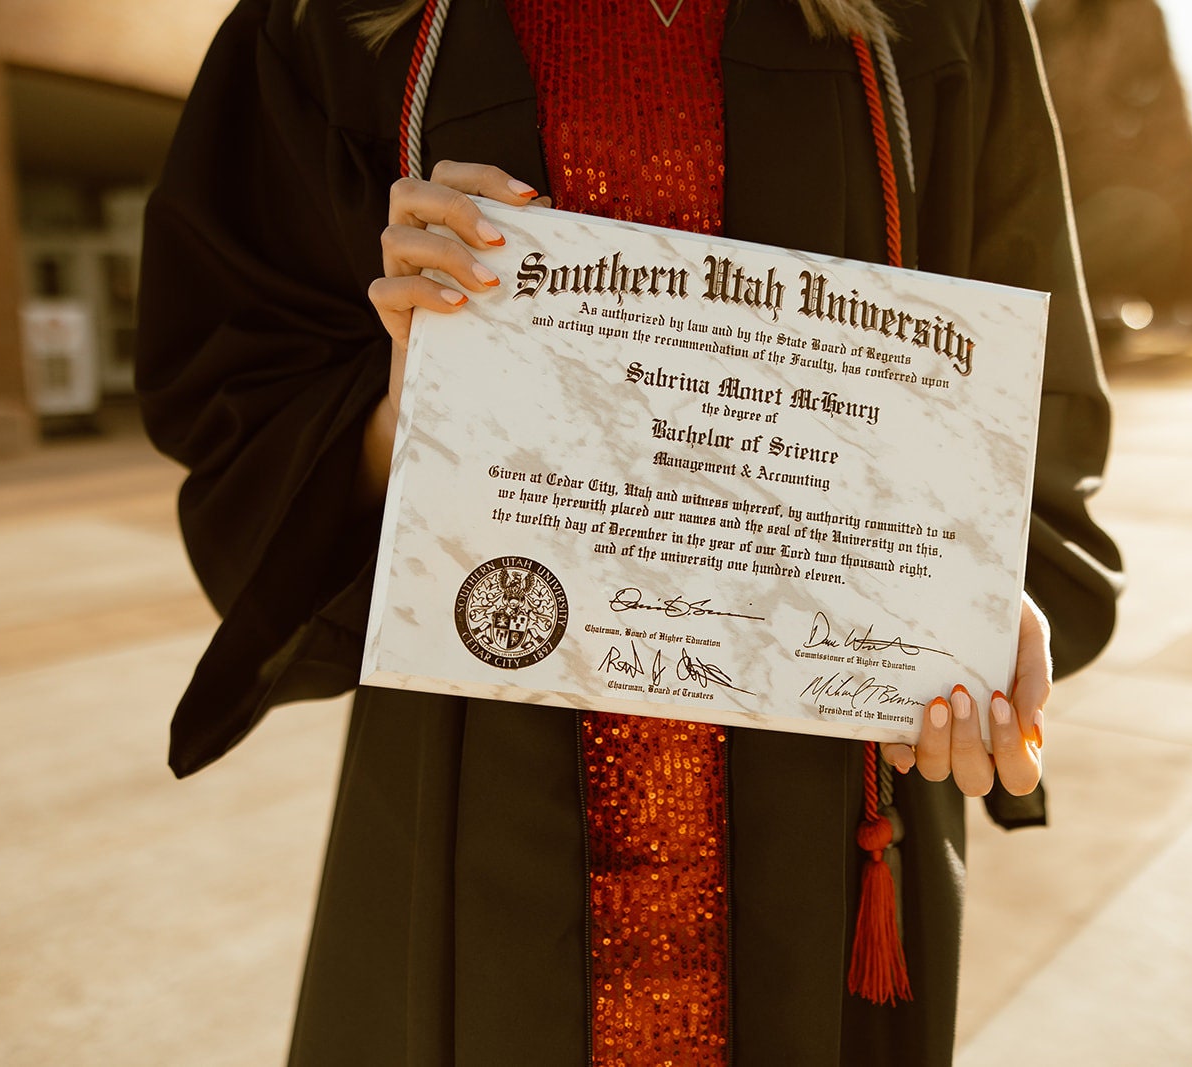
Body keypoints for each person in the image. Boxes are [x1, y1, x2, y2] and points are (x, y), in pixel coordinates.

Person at [135, 0, 1123, 1062]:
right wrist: (409, 397)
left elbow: (1028, 389)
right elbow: (240, 396)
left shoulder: (942, 16)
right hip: (481, 800)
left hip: (831, 795)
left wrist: (976, 601)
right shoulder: (335, 22)